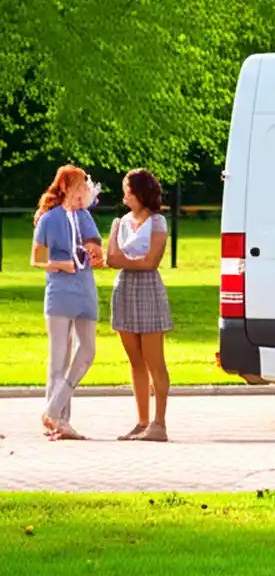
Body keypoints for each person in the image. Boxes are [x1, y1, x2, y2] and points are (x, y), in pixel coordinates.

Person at [30, 165, 105, 441]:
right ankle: (60, 422)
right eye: (81, 185)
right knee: (59, 360)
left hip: (85, 289)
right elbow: (36, 259)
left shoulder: (84, 215)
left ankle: (52, 409)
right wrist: (60, 264)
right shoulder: (49, 219)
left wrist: (95, 254)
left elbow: (95, 246)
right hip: (60, 291)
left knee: (87, 351)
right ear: (66, 187)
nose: (85, 190)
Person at [106, 169, 174, 442]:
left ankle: (159, 423)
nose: (124, 196)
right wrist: (118, 245)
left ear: (139, 193)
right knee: (135, 361)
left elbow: (150, 262)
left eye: (127, 191)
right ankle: (142, 421)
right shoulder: (122, 222)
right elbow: (111, 258)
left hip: (148, 290)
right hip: (124, 289)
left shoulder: (158, 222)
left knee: (154, 360)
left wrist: (125, 260)